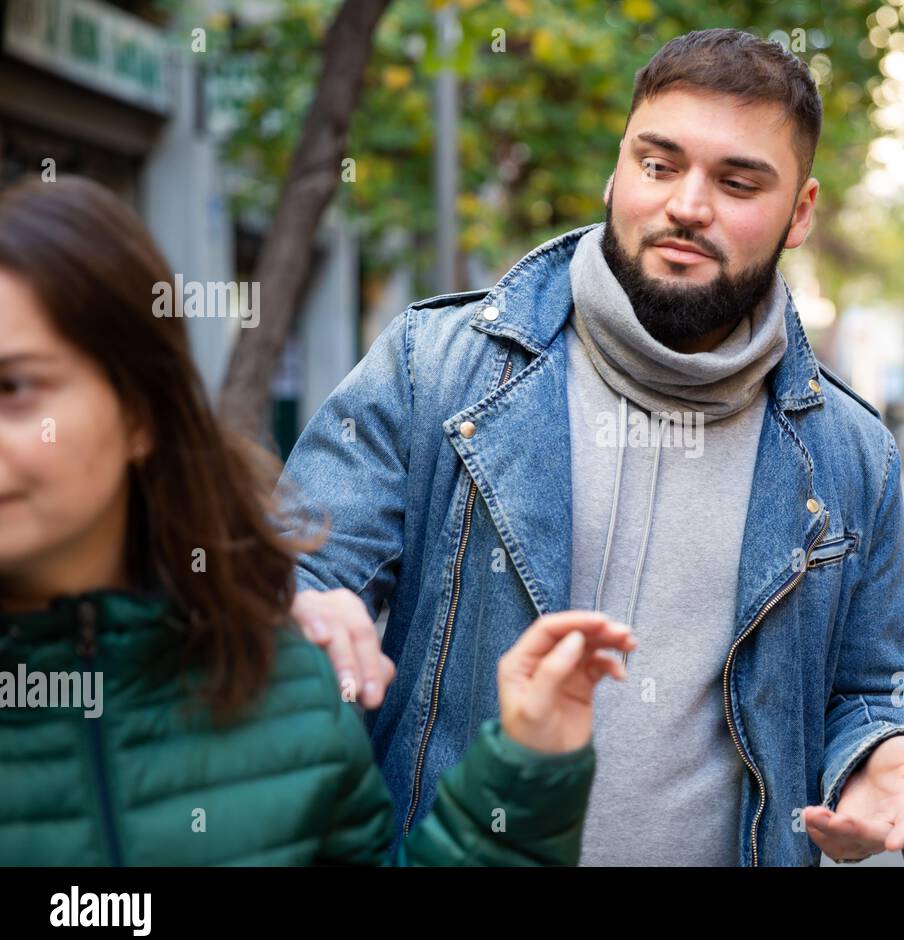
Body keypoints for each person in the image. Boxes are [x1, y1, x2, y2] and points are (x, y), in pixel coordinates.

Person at [280, 28, 904, 866]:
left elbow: (874, 683)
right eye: (658, 163)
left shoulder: (852, 452)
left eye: (738, 181)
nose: (687, 204)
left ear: (802, 212)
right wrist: (300, 607)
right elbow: (294, 575)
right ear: (617, 170)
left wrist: (887, 750)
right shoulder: (437, 367)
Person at [0, 175, 634, 865]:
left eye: (15, 388)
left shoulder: (288, 694)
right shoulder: (428, 359)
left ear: (141, 411)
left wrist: (525, 777)